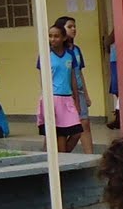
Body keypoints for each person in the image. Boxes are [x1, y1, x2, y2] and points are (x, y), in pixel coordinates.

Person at [36, 21, 86, 153]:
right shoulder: (45, 56)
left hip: (68, 99)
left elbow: (73, 78)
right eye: (50, 36)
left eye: (56, 36)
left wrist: (76, 99)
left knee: (77, 132)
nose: (53, 39)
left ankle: (61, 157)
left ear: (64, 38)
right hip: (54, 98)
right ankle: (60, 161)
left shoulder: (70, 56)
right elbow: (43, 79)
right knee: (61, 134)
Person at [55, 16, 94, 152]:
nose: (74, 29)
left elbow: (79, 72)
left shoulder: (76, 50)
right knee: (62, 129)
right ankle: (60, 155)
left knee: (84, 123)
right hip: (63, 94)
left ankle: (90, 156)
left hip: (79, 92)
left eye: (74, 26)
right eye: (69, 27)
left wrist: (86, 94)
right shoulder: (57, 52)